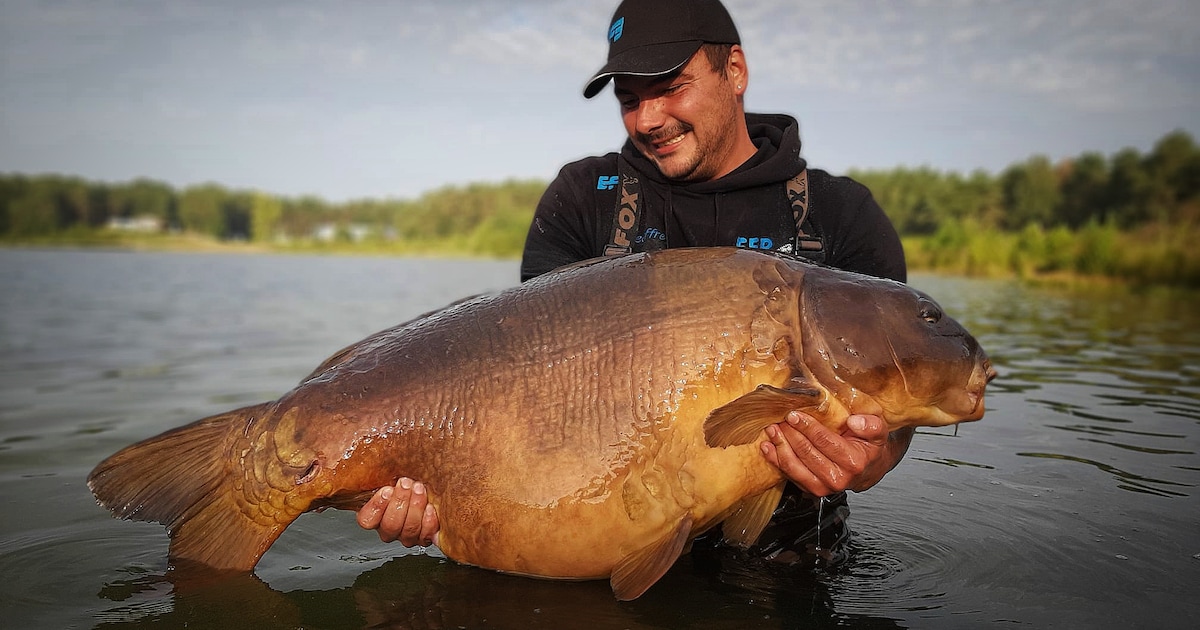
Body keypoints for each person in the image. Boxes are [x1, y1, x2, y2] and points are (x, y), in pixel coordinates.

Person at [358, 0, 913, 566]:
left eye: (672, 87)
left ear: (736, 71)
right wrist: (440, 491)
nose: (648, 119)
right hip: (601, 545)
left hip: (788, 563)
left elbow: (898, 400)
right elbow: (524, 401)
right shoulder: (583, 199)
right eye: (630, 99)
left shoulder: (841, 215)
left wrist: (875, 459)